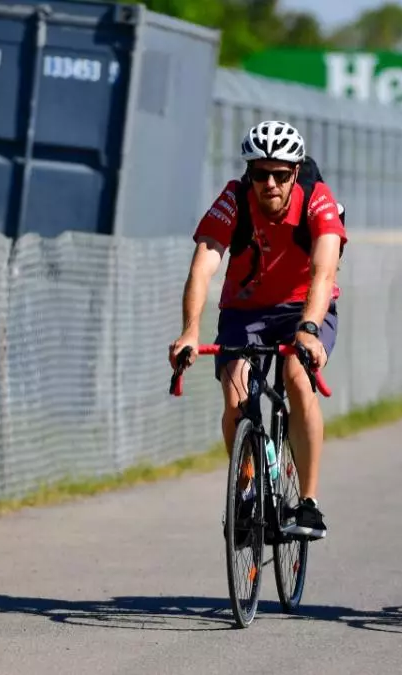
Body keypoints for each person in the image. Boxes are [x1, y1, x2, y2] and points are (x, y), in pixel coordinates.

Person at [168, 120, 348, 540]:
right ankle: (246, 491)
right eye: (260, 173)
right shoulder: (234, 199)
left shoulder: (317, 199)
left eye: (281, 175)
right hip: (245, 311)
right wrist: (190, 330)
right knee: (235, 395)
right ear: (248, 173)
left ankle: (307, 503)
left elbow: (323, 273)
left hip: (305, 308)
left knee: (296, 378)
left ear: (295, 172)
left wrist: (308, 329)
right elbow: (203, 266)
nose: (270, 183)